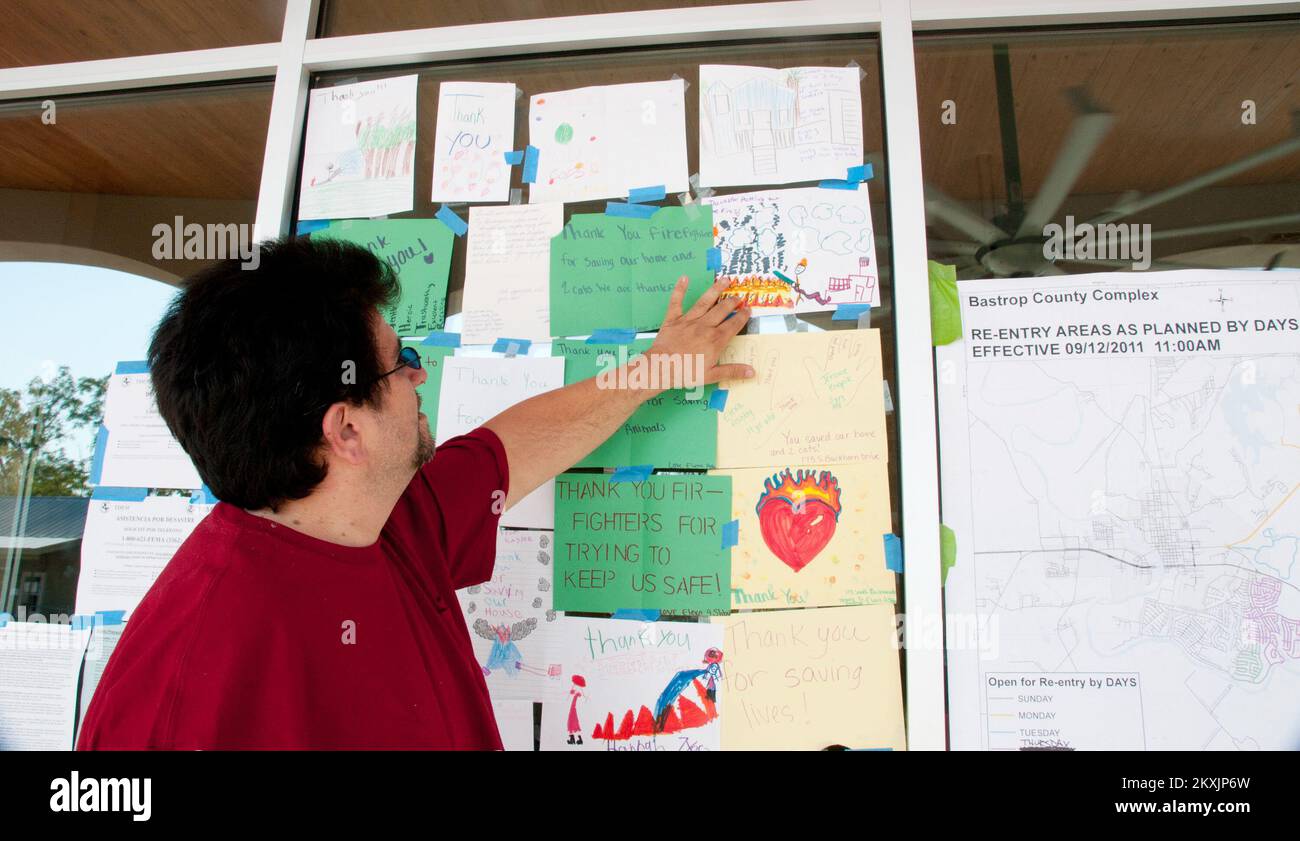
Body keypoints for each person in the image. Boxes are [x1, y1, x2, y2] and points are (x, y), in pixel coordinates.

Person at [76, 236, 752, 750]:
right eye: (401, 363)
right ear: (345, 430)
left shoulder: (387, 519)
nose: (420, 378)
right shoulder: (180, 693)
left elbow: (515, 446)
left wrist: (655, 369)